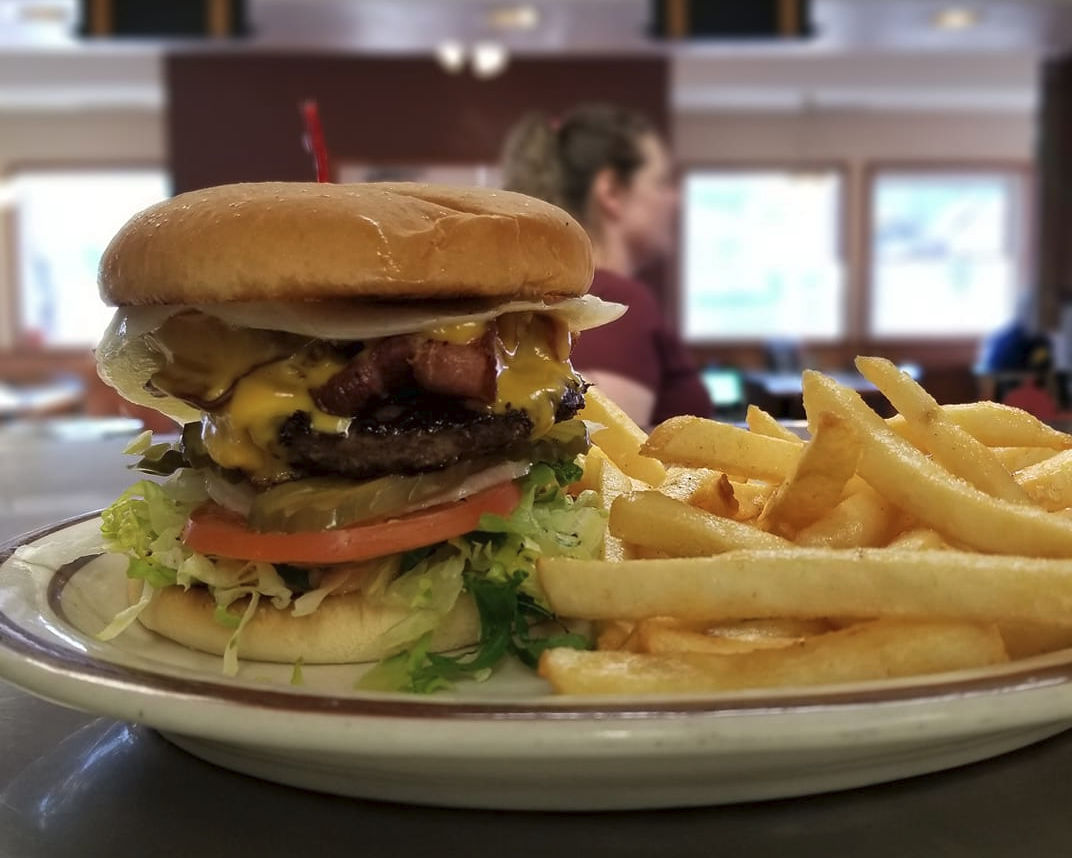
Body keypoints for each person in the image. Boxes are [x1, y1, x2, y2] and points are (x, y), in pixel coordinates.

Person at [500, 103, 712, 427]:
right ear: (611, 190)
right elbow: (606, 456)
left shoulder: (550, 296)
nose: (675, 199)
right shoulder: (613, 304)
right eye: (661, 181)